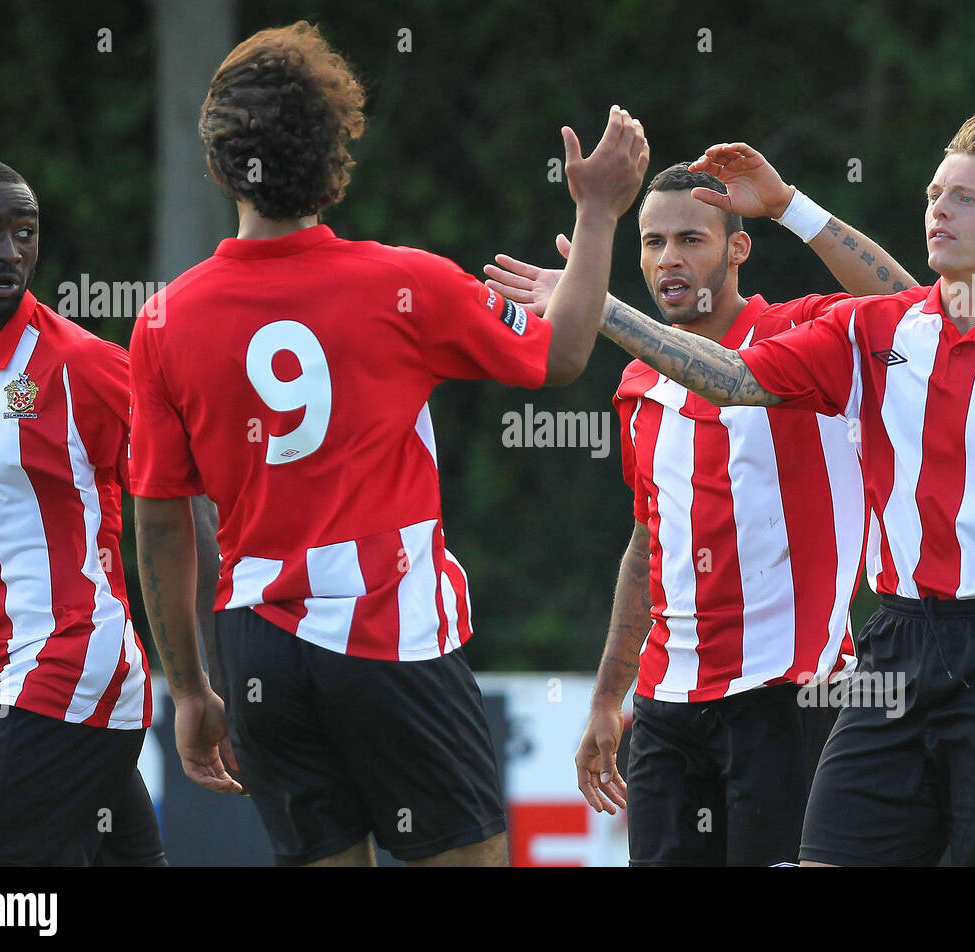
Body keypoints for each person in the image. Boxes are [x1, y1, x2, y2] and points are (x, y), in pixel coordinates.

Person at [127, 21, 649, 867]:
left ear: (221, 165)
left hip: (257, 647)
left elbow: (161, 523)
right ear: (336, 162)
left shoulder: (163, 320)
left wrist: (188, 688)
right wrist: (596, 213)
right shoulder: (401, 284)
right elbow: (562, 355)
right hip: (386, 635)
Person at [591, 115, 975, 866]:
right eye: (935, 193)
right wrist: (601, 306)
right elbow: (735, 378)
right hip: (899, 642)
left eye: (966, 199)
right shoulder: (875, 331)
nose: (938, 209)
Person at [485, 158, 916, 865]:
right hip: (665, 709)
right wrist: (605, 700)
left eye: (691, 239)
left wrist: (790, 207)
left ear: (738, 249)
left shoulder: (804, 335)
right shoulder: (636, 383)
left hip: (788, 697)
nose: (668, 259)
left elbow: (910, 305)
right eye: (652, 243)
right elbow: (646, 544)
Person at [0, 157, 165, 866]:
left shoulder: (84, 365)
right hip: (2, 671)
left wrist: (210, 667)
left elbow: (190, 494)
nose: (11, 250)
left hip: (70, 666)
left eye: (26, 232)